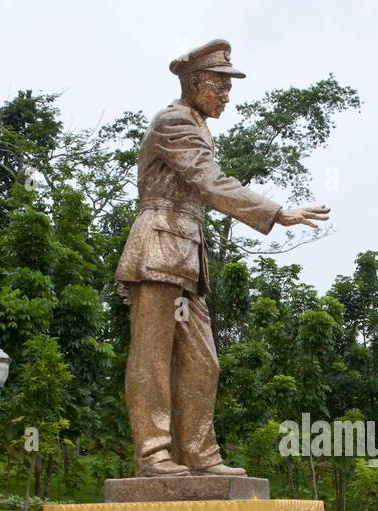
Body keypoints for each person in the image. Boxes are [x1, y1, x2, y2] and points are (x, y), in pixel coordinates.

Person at [114, 39, 331, 477]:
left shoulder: (196, 124)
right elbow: (209, 182)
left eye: (229, 88)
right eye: (220, 86)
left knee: (202, 361)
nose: (227, 96)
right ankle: (154, 454)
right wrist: (276, 212)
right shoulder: (174, 122)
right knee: (151, 358)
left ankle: (199, 454)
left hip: (185, 259)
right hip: (157, 249)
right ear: (194, 83)